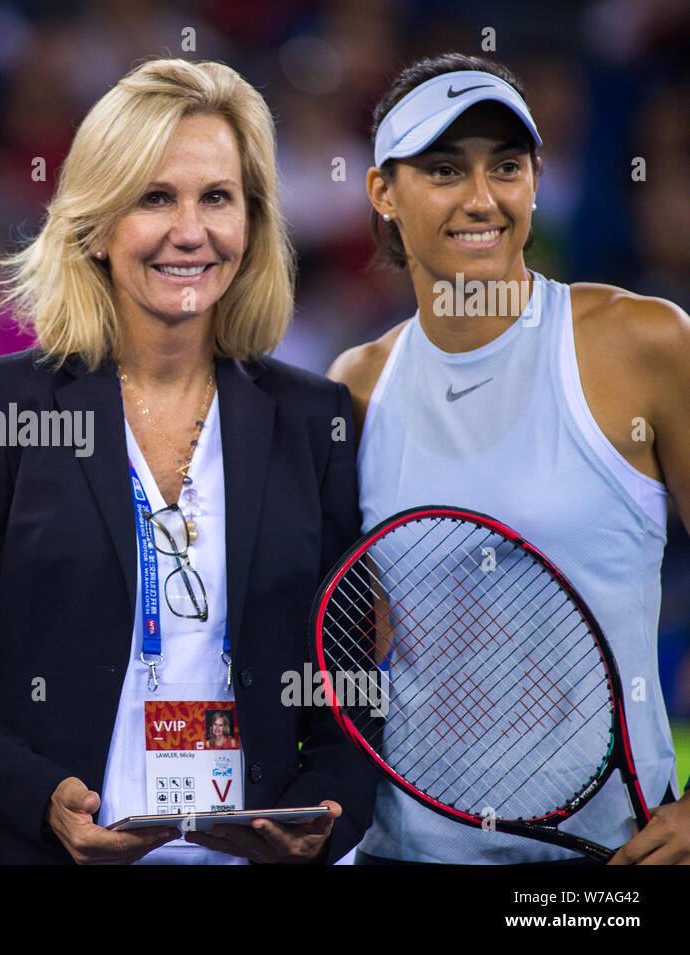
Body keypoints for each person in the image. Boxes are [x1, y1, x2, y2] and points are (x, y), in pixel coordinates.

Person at [0, 58, 376, 865]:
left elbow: (350, 689)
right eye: (155, 197)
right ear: (94, 223)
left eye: (217, 198)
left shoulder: (313, 419)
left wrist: (331, 809)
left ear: (253, 222)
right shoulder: (5, 405)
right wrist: (44, 797)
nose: (189, 231)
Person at [328, 53, 690, 864]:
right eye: (445, 169)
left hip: (598, 867)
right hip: (403, 852)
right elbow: (359, 635)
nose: (482, 198)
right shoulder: (355, 387)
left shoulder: (645, 343)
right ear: (383, 193)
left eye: (507, 166)